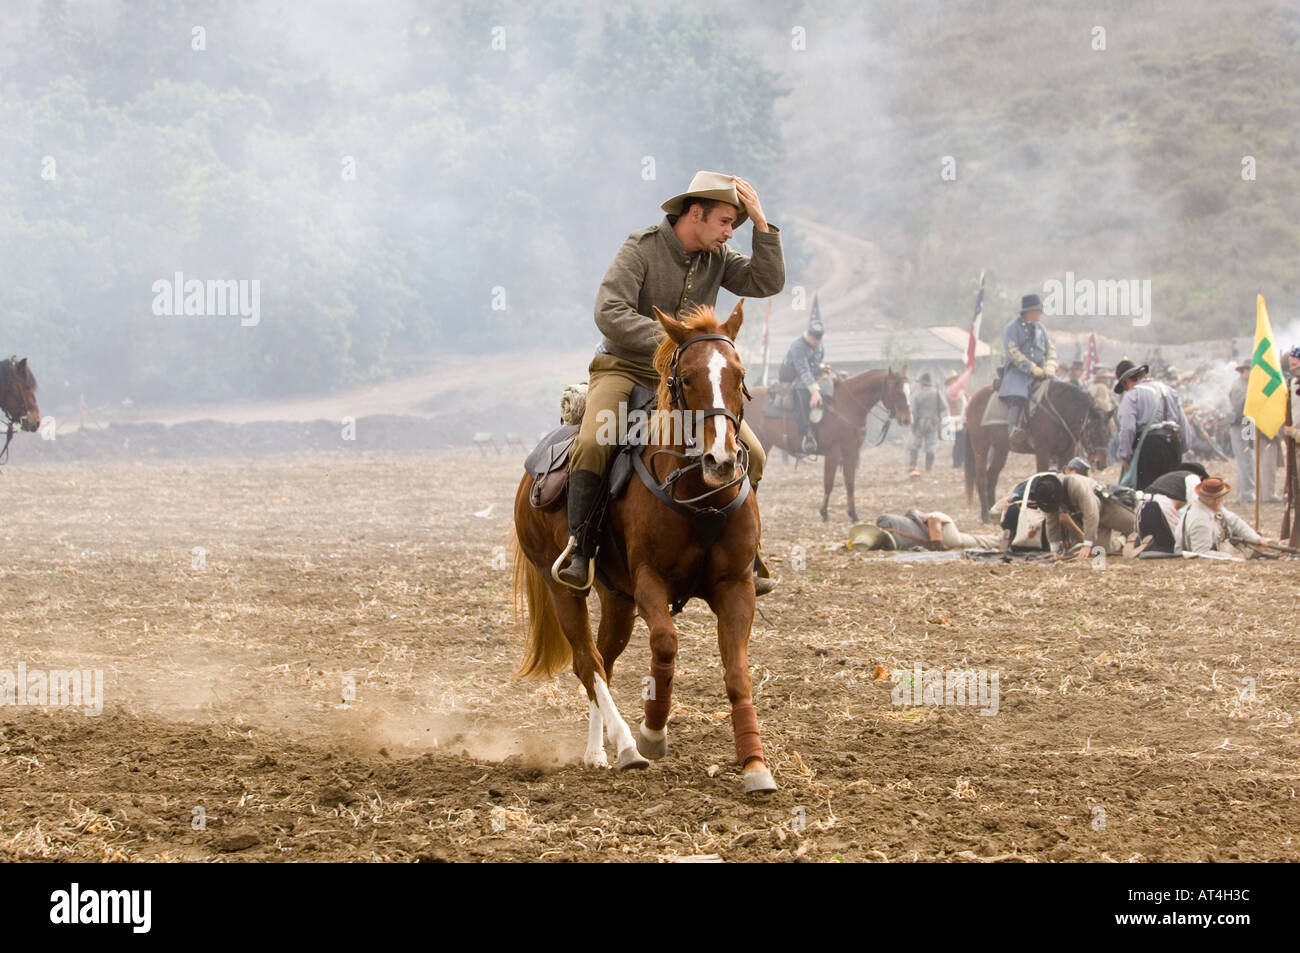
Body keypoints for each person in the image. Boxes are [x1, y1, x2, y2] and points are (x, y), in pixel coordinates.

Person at [559, 171, 785, 591]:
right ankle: (581, 548)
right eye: (724, 222)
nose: (727, 233)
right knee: (593, 443)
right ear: (695, 213)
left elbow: (767, 281)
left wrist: (761, 224)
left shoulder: (718, 258)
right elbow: (609, 310)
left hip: (691, 382)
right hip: (624, 369)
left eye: (734, 226)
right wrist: (675, 347)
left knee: (751, 452)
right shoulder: (640, 248)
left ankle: (745, 554)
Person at [1113, 358, 1189, 490]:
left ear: (1126, 382)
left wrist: (1125, 455)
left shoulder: (1132, 395)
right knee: (1171, 493)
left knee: (1147, 494)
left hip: (1150, 448)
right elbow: (1184, 425)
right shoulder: (1170, 391)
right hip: (1173, 446)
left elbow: (1128, 428)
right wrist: (1182, 448)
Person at [998, 293, 1057, 444]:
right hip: (1019, 373)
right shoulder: (1012, 328)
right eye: (1038, 310)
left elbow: (1050, 349)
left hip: (1042, 371)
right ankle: (1013, 429)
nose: (1040, 314)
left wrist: (1050, 365)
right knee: (1019, 395)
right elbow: (1013, 352)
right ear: (1029, 312)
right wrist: (1031, 368)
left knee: (1060, 390)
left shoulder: (1041, 328)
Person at [1036, 471, 1137, 557]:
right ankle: (1121, 541)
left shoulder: (1075, 485)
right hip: (1093, 521)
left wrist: (1087, 544)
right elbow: (1051, 522)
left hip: (1106, 507)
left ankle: (1131, 536)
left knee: (1136, 526)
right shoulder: (1049, 497)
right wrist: (1054, 550)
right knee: (1099, 550)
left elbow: (1091, 512)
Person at [1175, 477, 1268, 555]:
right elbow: (1202, 554)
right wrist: (1232, 557)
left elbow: (1234, 521)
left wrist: (1256, 539)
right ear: (1217, 500)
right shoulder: (1200, 521)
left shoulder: (1210, 506)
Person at [781, 315, 826, 454]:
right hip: (794, 377)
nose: (817, 342)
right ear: (808, 334)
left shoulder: (820, 346)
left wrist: (822, 368)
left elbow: (816, 363)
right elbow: (803, 370)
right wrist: (814, 392)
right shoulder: (798, 346)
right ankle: (807, 433)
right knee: (802, 391)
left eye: (819, 339)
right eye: (815, 339)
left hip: (812, 376)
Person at [908, 371, 945, 474]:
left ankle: (912, 464)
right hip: (933, 422)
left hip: (920, 422)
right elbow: (943, 407)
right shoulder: (936, 393)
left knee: (915, 444)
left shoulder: (917, 394)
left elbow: (914, 412)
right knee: (931, 445)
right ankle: (928, 468)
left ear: (922, 383)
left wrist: (913, 425)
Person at [944, 371, 968, 468]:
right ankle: (957, 462)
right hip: (957, 419)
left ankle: (960, 461)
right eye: (954, 380)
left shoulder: (959, 392)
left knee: (961, 441)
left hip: (962, 419)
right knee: (959, 442)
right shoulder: (951, 391)